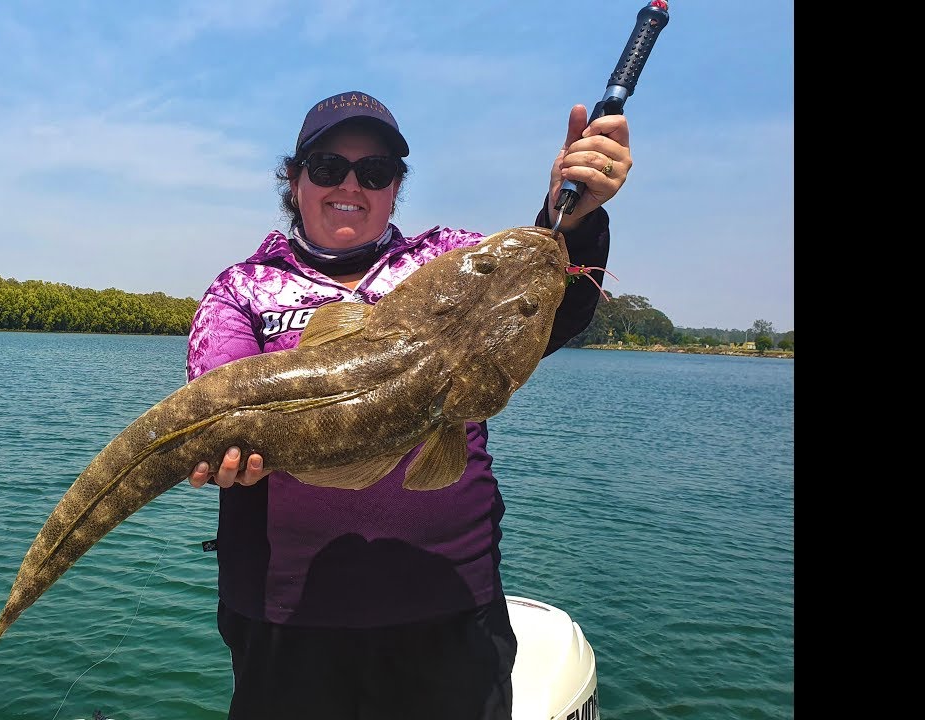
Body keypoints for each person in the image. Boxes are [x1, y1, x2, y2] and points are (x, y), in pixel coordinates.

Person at [183, 90, 630, 720]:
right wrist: (229, 450)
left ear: (396, 185)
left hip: (448, 606)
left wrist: (573, 212)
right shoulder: (243, 286)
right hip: (287, 616)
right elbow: (220, 390)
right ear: (294, 178)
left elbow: (547, 304)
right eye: (328, 167)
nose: (350, 186)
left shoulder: (450, 259)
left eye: (374, 172)